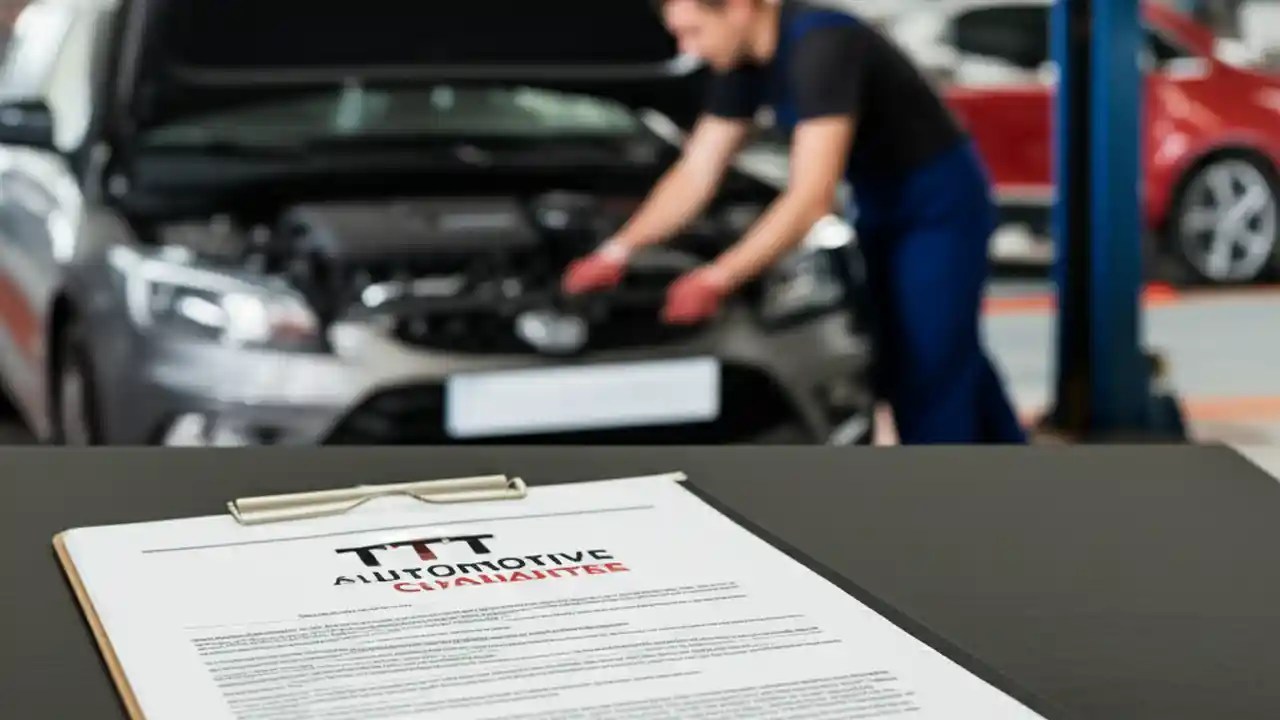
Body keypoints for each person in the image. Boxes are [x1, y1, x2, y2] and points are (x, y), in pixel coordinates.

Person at [560, 0, 1026, 444]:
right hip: (877, 199)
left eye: (693, 31)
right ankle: (1016, 467)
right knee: (936, 345)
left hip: (937, 203)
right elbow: (697, 171)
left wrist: (718, 278)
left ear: (739, 6)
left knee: (925, 367)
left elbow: (810, 197)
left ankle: (944, 489)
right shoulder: (741, 61)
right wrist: (616, 251)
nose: (689, 50)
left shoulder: (823, 42)